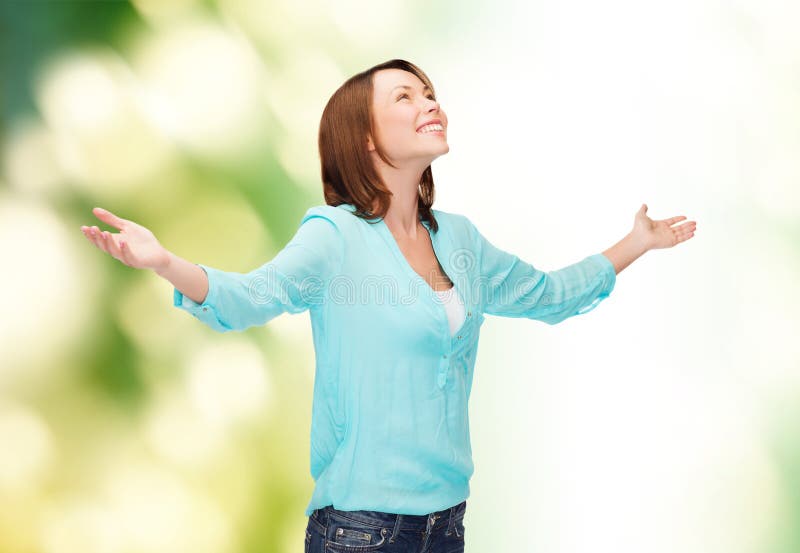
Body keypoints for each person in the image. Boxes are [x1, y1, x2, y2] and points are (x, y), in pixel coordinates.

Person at [80, 59, 697, 552]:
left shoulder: (459, 240)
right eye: (405, 96)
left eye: (429, 91)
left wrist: (636, 243)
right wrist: (163, 261)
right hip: (360, 532)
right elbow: (248, 299)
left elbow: (549, 296)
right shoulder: (333, 236)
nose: (430, 101)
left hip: (448, 525)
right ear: (366, 136)